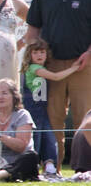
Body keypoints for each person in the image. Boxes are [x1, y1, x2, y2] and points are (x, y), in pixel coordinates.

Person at [22, 0, 91, 171]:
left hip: (83, 65)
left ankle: (86, 169)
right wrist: (29, 63)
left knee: (85, 120)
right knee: (53, 121)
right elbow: (33, 30)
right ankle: (54, 169)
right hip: (49, 67)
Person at [21, 39, 86, 177]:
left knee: (50, 137)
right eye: (35, 52)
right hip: (34, 109)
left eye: (42, 52)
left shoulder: (43, 68)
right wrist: (74, 68)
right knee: (36, 138)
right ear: (29, 55)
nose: (39, 55)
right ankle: (32, 166)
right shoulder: (35, 69)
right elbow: (56, 77)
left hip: (42, 109)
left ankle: (50, 166)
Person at [0, 78, 39, 182]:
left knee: (31, 156)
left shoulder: (22, 115)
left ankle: (1, 174)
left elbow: (21, 147)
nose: (0, 97)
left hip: (17, 162)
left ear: (14, 96)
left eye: (4, 93)